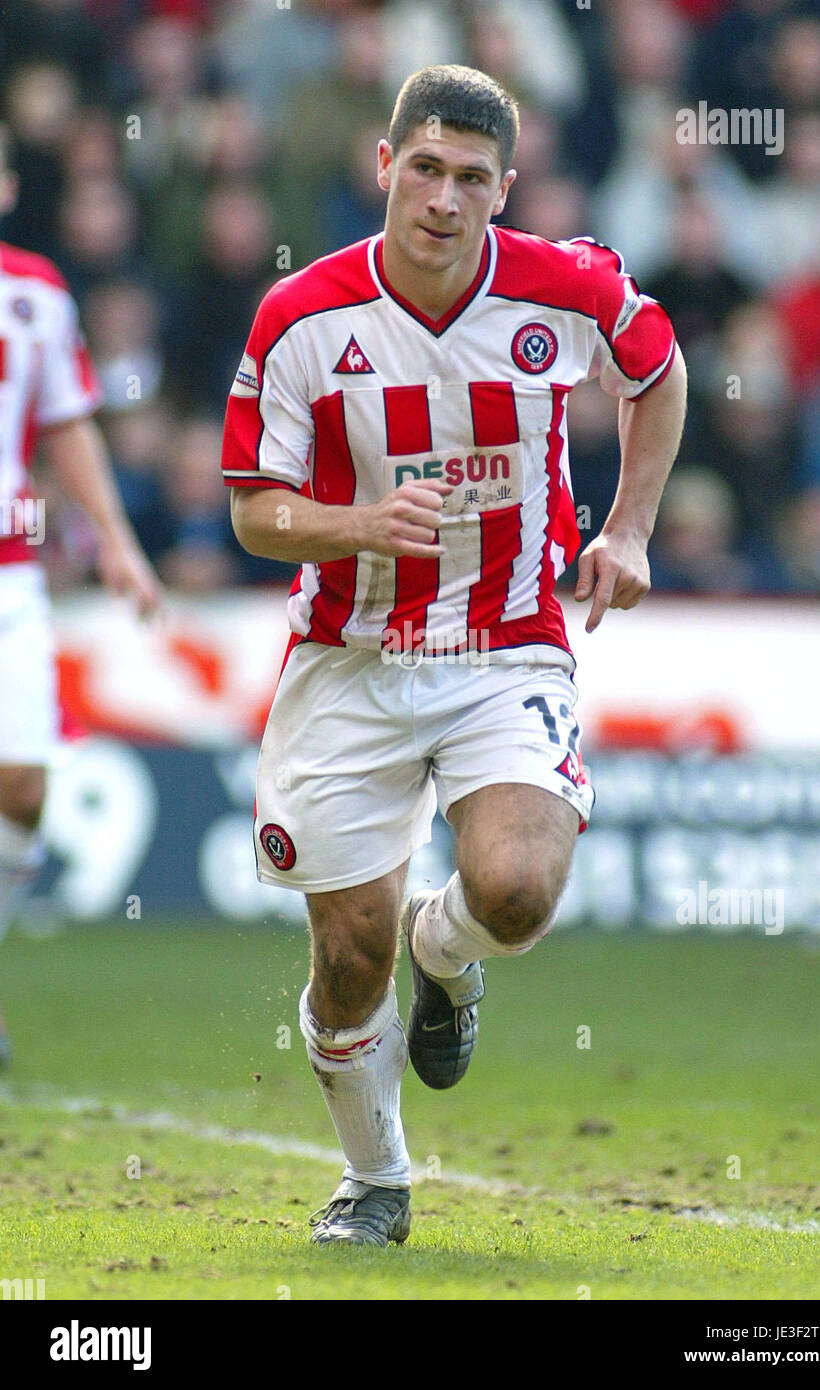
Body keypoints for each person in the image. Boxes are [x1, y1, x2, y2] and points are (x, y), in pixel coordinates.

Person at [222, 65, 686, 1245]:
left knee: (516, 891)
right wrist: (356, 525)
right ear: (383, 167)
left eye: (470, 178)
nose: (441, 197)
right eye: (422, 168)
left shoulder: (564, 288)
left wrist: (627, 525)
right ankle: (374, 1179)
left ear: (503, 189)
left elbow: (658, 370)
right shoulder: (301, 319)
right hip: (351, 654)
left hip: (505, 646)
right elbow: (252, 511)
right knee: (345, 956)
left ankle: (453, 953)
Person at [0, 125, 161, 1062]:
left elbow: (69, 425)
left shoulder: (37, 293)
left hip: (11, 571)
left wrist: (117, 543)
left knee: (24, 788)